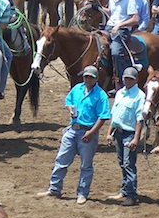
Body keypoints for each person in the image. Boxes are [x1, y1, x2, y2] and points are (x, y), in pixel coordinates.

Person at [37, 65, 110, 205]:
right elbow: (68, 101)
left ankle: (82, 193)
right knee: (61, 160)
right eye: (86, 76)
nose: (87, 79)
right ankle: (54, 188)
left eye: (91, 77)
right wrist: (70, 109)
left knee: (86, 165)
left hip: (87, 131)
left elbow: (103, 117)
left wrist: (91, 132)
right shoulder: (77, 89)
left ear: (96, 79)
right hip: (72, 129)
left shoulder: (101, 95)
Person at [105, 67, 145, 206]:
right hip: (119, 132)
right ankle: (125, 189)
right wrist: (109, 132)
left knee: (129, 164)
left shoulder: (139, 95)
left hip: (129, 133)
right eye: (125, 78)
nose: (127, 81)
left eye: (130, 79)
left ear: (136, 80)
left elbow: (140, 119)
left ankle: (132, 195)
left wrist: (136, 138)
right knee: (122, 162)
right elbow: (115, 115)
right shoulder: (120, 93)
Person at [104, 0, 138, 90]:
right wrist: (98, 7)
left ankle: (122, 80)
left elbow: (135, 19)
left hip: (122, 30)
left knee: (116, 53)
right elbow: (111, 12)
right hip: (109, 27)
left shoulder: (130, 0)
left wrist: (119, 25)